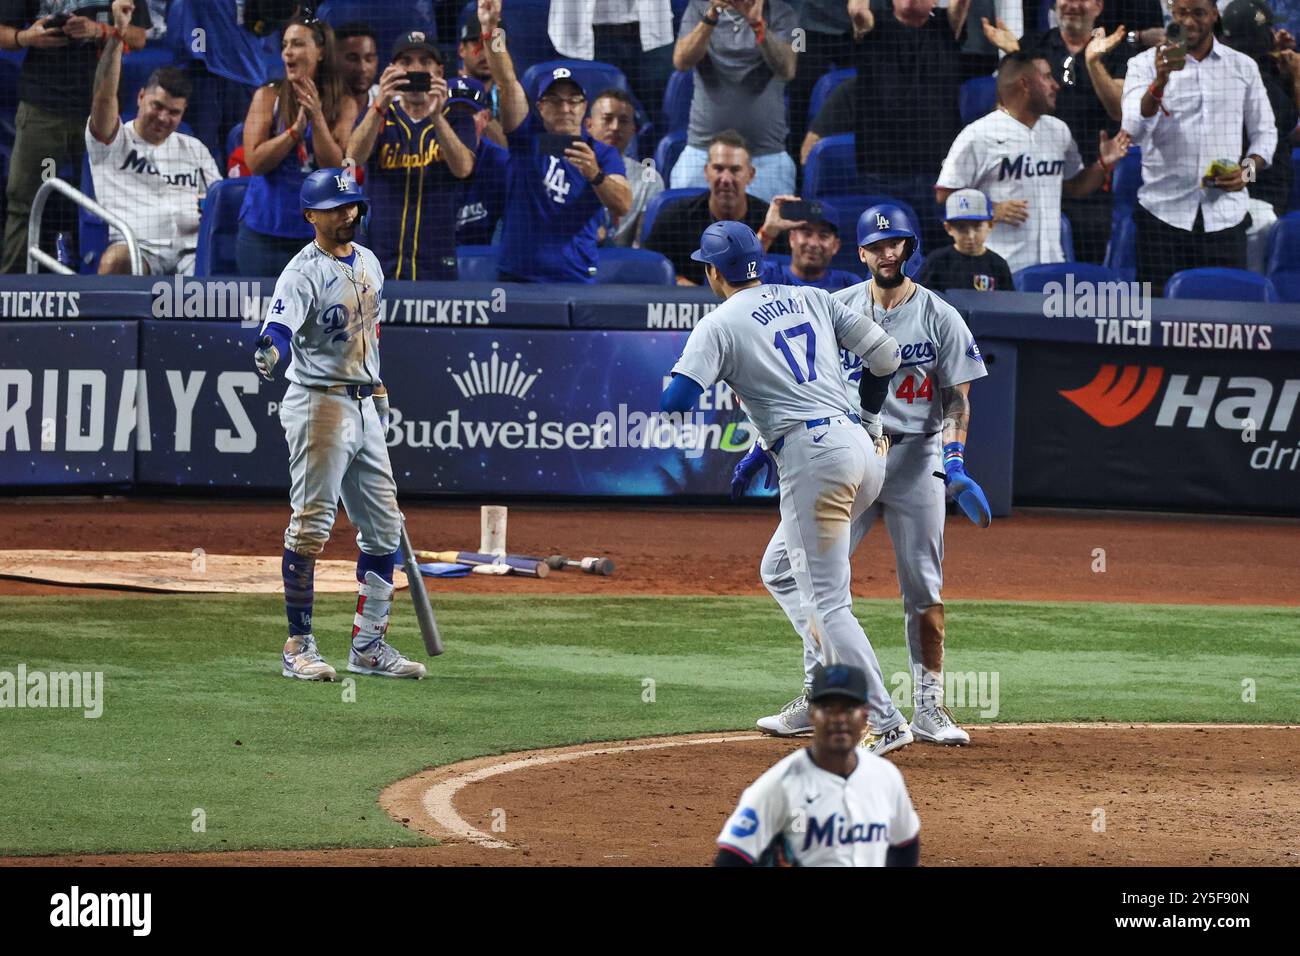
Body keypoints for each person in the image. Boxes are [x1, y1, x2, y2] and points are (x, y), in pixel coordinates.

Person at [739, 204, 991, 749]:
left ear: (909, 248)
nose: (886, 253)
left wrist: (955, 463)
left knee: (922, 586)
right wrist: (768, 444)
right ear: (860, 254)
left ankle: (928, 708)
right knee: (793, 571)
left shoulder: (940, 315)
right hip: (851, 455)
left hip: (916, 459)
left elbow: (957, 399)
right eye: (876, 246)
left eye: (895, 243)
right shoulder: (834, 307)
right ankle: (818, 693)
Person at [661, 220, 907, 751]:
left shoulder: (719, 322)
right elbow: (887, 357)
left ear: (711, 272)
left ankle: (886, 721)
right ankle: (820, 693)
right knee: (779, 570)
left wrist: (691, 373)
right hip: (863, 450)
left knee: (829, 604)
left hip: (814, 458)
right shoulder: (810, 297)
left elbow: (675, 403)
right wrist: (865, 414)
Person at [253, 167, 426, 684]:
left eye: (350, 205)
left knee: (383, 528)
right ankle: (297, 645)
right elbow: (278, 329)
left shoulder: (369, 261)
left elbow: (368, 334)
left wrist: (378, 390)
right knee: (311, 525)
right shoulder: (301, 272)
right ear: (311, 216)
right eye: (334, 207)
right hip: (318, 404)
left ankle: (368, 645)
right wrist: (270, 351)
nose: (347, 214)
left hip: (364, 402)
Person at [1121, 0, 1278, 294]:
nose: (1189, 22)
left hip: (1225, 220)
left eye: (1198, 13)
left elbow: (1266, 134)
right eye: (1182, 13)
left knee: (1225, 321)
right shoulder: (1142, 65)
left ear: (1214, 14)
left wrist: (1247, 172)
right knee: (1156, 323)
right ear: (1172, 14)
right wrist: (1160, 82)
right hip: (1161, 218)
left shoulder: (1243, 67)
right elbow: (1134, 131)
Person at [478, 0, 632, 283]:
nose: (565, 108)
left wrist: (595, 175)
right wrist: (490, 29)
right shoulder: (525, 138)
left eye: (573, 100)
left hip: (574, 277)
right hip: (518, 275)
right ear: (540, 105)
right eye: (555, 100)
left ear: (584, 107)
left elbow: (623, 203)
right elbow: (507, 82)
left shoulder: (602, 153)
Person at [936, 52, 1131, 274]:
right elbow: (944, 197)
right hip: (999, 266)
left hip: (1052, 264)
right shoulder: (977, 135)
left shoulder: (1058, 131)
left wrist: (1103, 164)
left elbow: (1074, 186)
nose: (1056, 85)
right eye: (1047, 77)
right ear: (1025, 84)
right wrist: (990, 209)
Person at [981, 0, 1142, 263]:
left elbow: (1120, 110)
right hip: (1034, 181)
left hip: (1092, 183)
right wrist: (1015, 54)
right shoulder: (1032, 45)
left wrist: (1093, 62)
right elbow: (1007, 106)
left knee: (1085, 276)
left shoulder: (1117, 50)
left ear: (1099, 6)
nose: (1073, 5)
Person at [715, 664, 921, 867]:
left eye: (849, 708)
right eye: (828, 708)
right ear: (812, 715)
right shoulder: (780, 785)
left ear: (866, 715)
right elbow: (732, 856)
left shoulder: (886, 777)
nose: (839, 719)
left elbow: (905, 845)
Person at [0, 0, 151, 273]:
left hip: (99, 113)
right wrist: (26, 37)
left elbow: (139, 37)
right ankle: (10, 294)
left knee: (107, 203)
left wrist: (99, 30)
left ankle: (100, 288)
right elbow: (3, 33)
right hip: (42, 105)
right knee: (24, 203)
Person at [845, 0, 994, 253]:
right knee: (889, 256)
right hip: (882, 172)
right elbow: (858, 10)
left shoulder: (946, 26)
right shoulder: (875, 25)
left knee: (939, 253)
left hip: (937, 175)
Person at [86, 2, 222, 276]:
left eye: (173, 112)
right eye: (157, 106)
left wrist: (208, 206)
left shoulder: (194, 149)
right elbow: (104, 96)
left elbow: (220, 201)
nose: (163, 118)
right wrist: (117, 35)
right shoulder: (112, 141)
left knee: (220, 271)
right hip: (139, 250)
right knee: (115, 261)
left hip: (192, 252)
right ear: (140, 97)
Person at [346, 30, 476, 281]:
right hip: (378, 259)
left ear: (438, 71)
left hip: (436, 257)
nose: (416, 69)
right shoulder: (378, 115)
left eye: (425, 62)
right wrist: (379, 104)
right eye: (406, 62)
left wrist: (436, 115)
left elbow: (463, 168)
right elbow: (353, 158)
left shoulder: (457, 117)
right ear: (392, 70)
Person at [237, 15, 359, 277]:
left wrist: (316, 118)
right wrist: (293, 132)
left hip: (317, 237)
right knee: (260, 315)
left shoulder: (344, 103)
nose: (287, 52)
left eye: (297, 44)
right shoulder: (267, 96)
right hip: (263, 233)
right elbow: (256, 163)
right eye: (284, 45)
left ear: (321, 52)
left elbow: (335, 171)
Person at [671, 0, 799, 201]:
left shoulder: (782, 12)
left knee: (770, 229)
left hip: (766, 156)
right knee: (689, 229)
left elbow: (787, 69)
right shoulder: (698, 8)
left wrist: (757, 24)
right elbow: (682, 61)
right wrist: (711, 16)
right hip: (702, 153)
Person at [643, 130, 792, 284]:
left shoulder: (769, 222)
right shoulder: (674, 217)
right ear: (707, 172)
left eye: (735, 170)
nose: (726, 179)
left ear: (750, 174)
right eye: (719, 169)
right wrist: (678, 282)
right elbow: (649, 267)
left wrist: (767, 234)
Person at [1220, 0, 1299, 271]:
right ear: (1261, 37)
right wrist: (1298, 78)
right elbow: (1294, 132)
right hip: (1256, 201)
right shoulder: (1261, 84)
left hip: (1219, 192)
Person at [549, 0, 675, 137]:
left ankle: (651, 159)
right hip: (592, 35)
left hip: (651, 29)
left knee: (661, 119)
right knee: (599, 121)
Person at [585, 88, 665, 247]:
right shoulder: (565, 169)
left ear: (633, 130)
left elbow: (641, 244)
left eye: (623, 121)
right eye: (607, 119)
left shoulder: (649, 179)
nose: (615, 127)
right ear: (589, 125)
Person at [917, 188, 1015, 290]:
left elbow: (1008, 303)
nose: (971, 236)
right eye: (961, 228)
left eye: (977, 227)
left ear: (990, 225)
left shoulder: (998, 264)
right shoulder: (936, 262)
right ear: (948, 228)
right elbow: (925, 302)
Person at [452, 76, 510, 246]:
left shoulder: (502, 163)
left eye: (469, 114)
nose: (461, 122)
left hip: (486, 260)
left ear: (485, 118)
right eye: (454, 113)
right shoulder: (426, 158)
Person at [758, 199, 860, 289]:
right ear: (792, 238)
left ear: (835, 246)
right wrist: (768, 231)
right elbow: (745, 266)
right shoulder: (769, 274)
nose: (813, 243)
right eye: (807, 233)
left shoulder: (849, 284)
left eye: (823, 236)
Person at [458, 6, 505, 147]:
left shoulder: (511, 96)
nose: (485, 54)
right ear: (461, 49)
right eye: (478, 44)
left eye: (492, 46)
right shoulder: (445, 90)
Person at [334, 22, 379, 116]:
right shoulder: (319, 105)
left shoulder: (392, 102)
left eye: (369, 59)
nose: (362, 68)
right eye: (352, 59)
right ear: (335, 60)